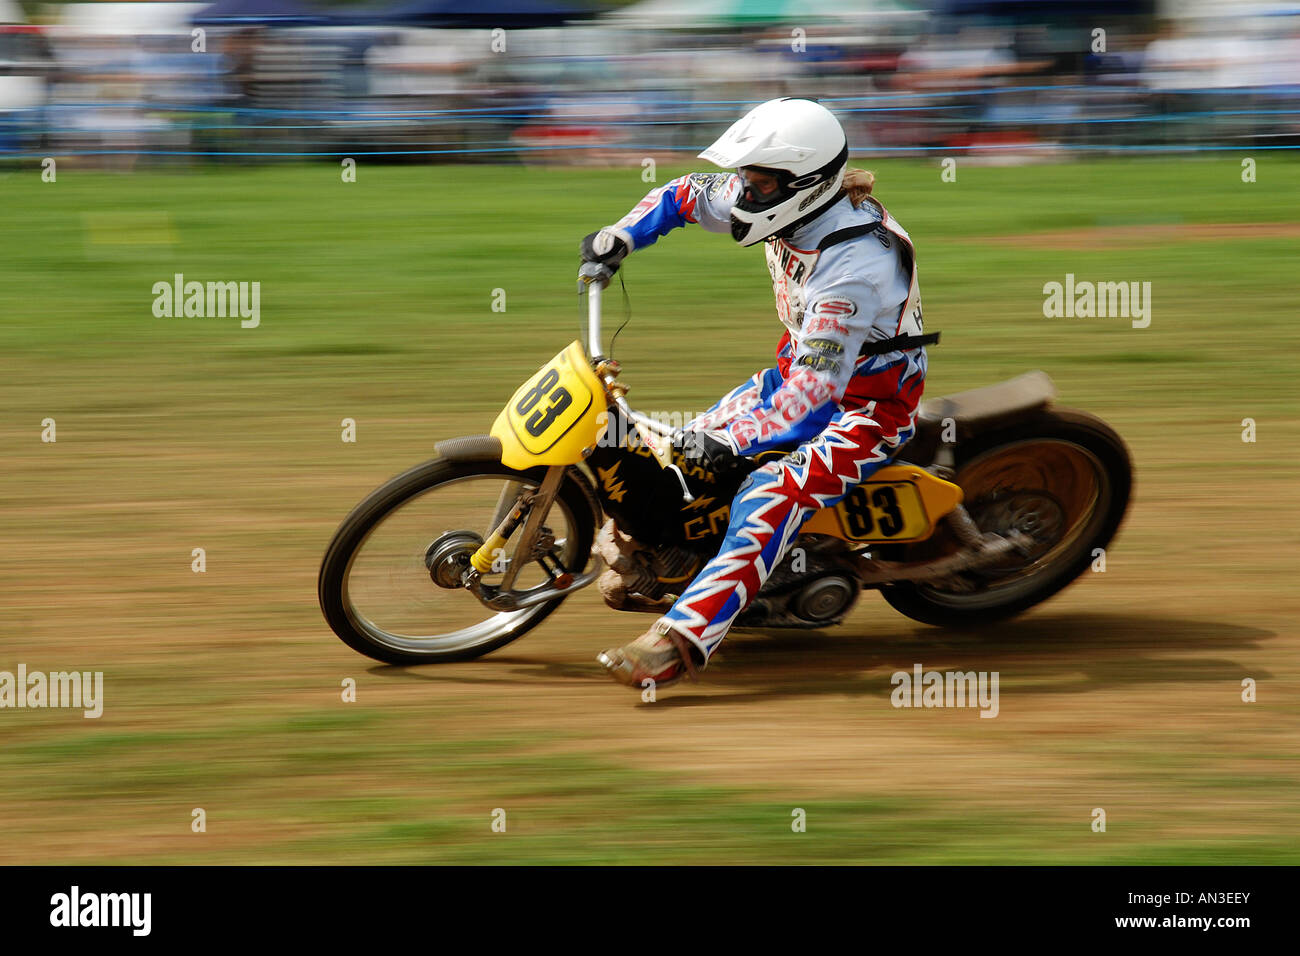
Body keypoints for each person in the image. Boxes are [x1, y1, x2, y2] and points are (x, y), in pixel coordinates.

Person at [579, 97, 934, 690]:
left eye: (758, 180)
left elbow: (815, 395)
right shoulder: (779, 200)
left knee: (767, 492)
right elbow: (685, 194)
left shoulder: (852, 264)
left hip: (867, 407)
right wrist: (622, 236)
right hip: (796, 374)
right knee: (675, 459)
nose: (743, 191)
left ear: (806, 183)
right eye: (745, 175)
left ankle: (680, 642)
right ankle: (682, 556)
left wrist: (731, 442)